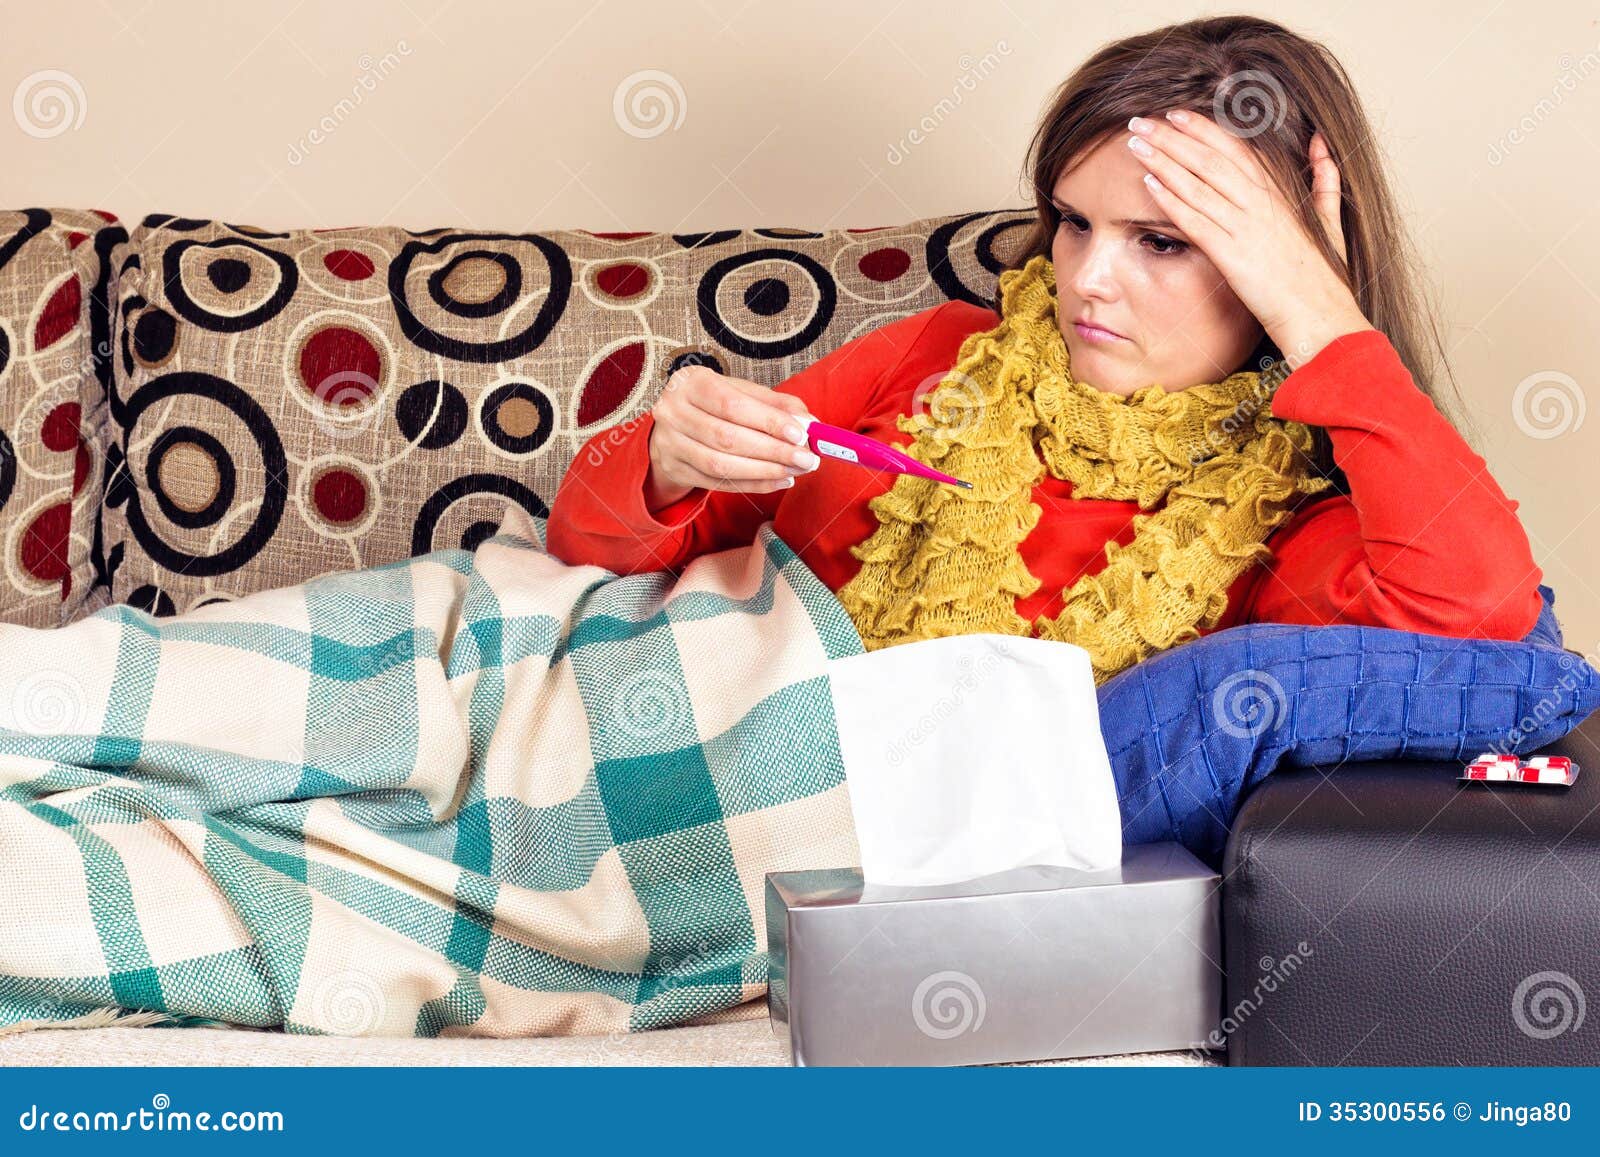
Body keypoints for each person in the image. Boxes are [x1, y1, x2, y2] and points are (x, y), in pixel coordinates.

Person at [547, 14, 1543, 685]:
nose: (1087, 279)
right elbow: (590, 548)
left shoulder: (1287, 519)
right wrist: (669, 461)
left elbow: (1478, 618)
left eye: (1159, 241)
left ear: (1275, 276)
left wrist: (1324, 316)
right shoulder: (936, 355)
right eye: (1072, 222)